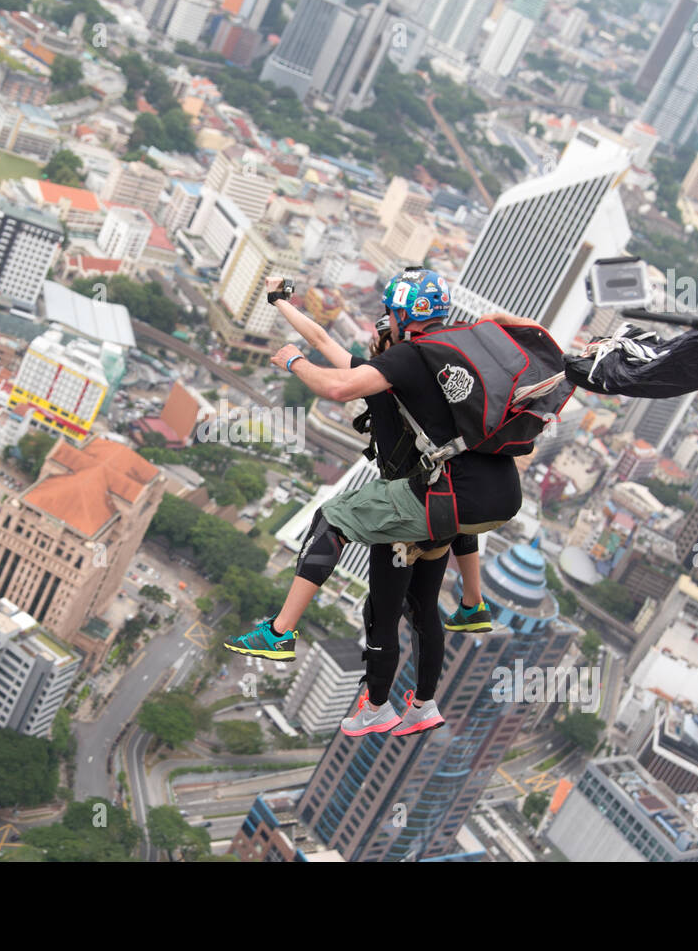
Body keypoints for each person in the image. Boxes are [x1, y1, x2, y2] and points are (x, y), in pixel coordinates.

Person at [224, 268, 539, 729]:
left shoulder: (400, 368)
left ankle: (289, 640)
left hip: (420, 503)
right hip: (469, 499)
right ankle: (441, 667)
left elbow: (333, 375)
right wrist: (280, 303)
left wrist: (293, 362)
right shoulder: (449, 358)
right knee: (424, 607)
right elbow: (322, 337)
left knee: (375, 597)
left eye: (391, 314)